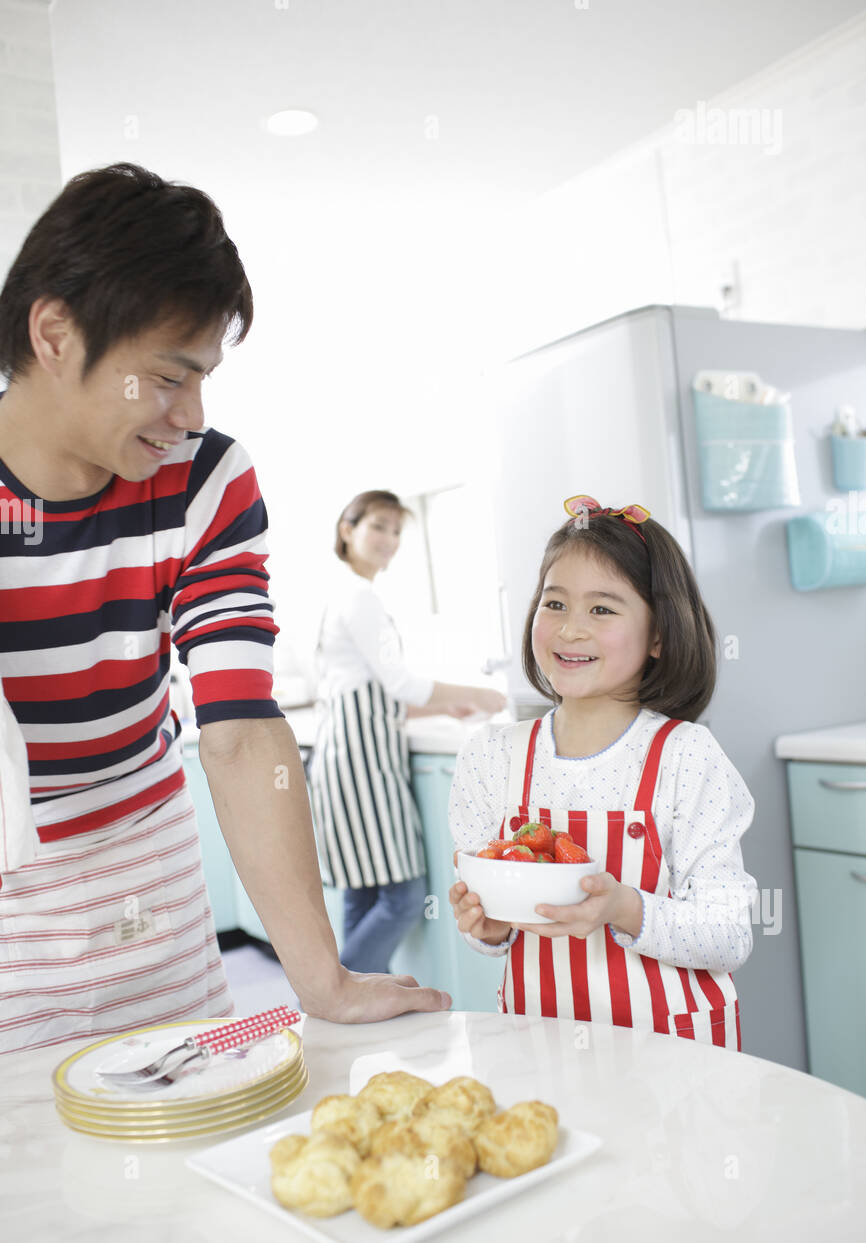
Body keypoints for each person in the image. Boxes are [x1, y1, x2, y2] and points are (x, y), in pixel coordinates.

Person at [0, 162, 452, 1054]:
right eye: (169, 376)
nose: (192, 412)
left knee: (183, 1136)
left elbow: (241, 729)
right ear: (55, 333)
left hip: (149, 871)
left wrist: (321, 978)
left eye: (204, 376)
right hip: (13, 879)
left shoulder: (207, 478)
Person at [448, 495, 757, 1050]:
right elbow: (493, 926)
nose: (569, 631)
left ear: (659, 635)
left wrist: (623, 907)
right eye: (555, 603)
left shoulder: (686, 757)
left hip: (675, 1061)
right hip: (542, 1049)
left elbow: (729, 934)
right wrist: (488, 930)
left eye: (603, 609)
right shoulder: (492, 757)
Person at [308, 490, 506, 974]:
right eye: (379, 525)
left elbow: (368, 695)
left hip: (345, 757)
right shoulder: (360, 597)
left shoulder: (345, 595)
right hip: (362, 765)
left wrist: (442, 707)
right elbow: (398, 682)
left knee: (364, 891)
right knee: (403, 898)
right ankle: (332, 999)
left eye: (396, 531)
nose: (389, 540)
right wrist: (484, 696)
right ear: (347, 529)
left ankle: (342, 1016)